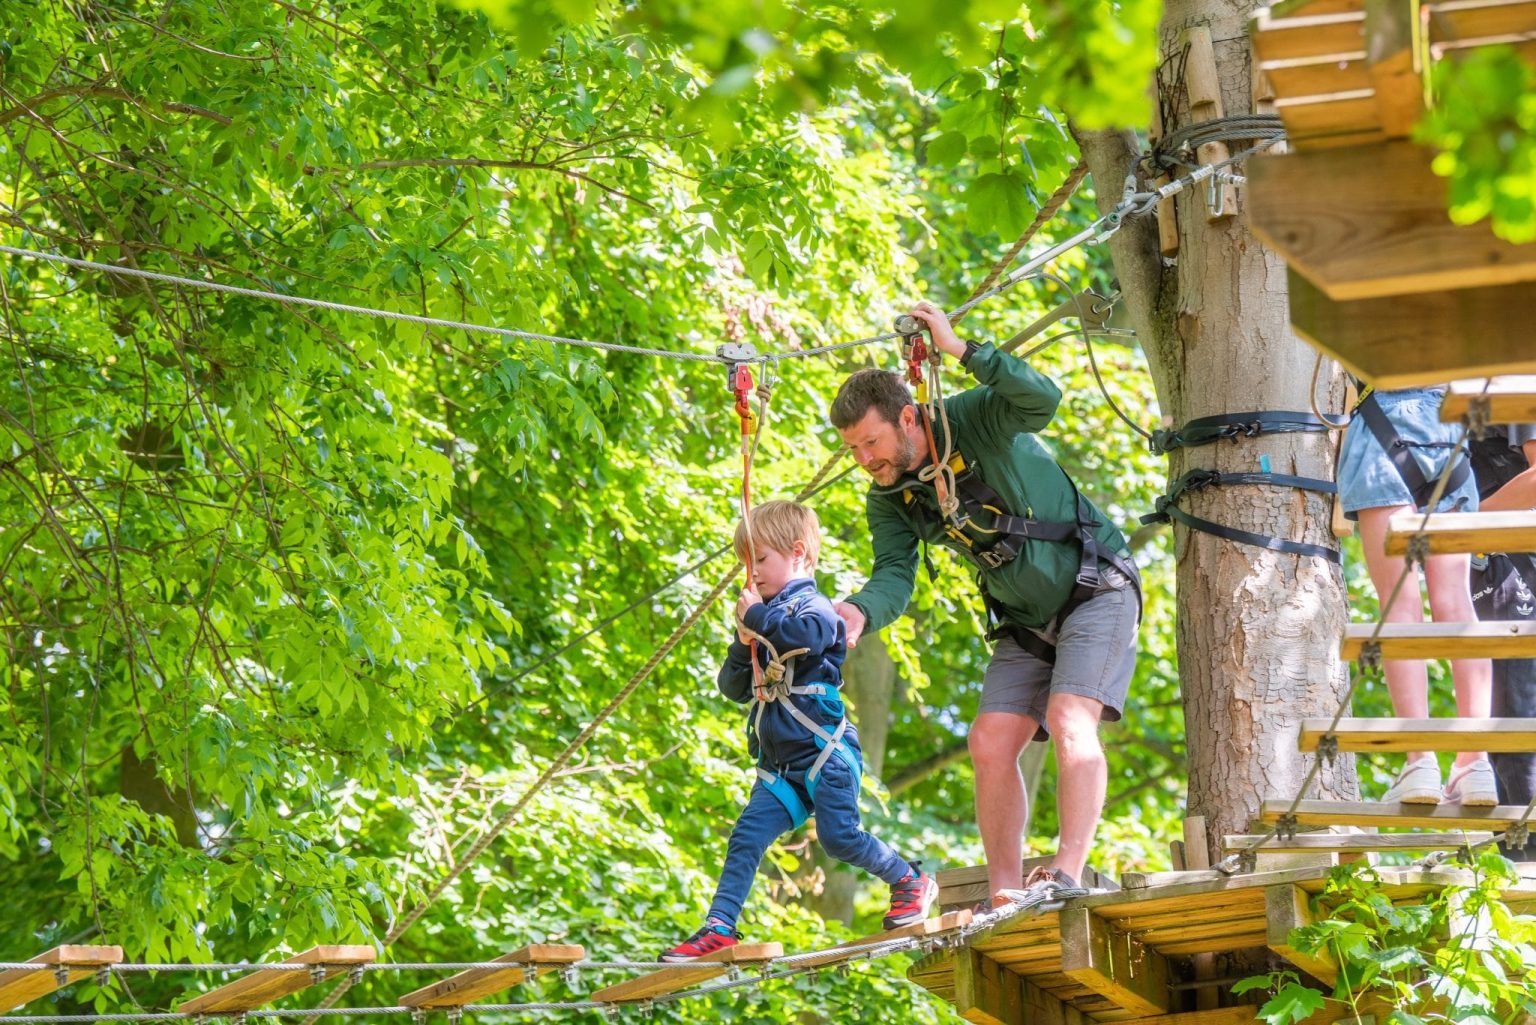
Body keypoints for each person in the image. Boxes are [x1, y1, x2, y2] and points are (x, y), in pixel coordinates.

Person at [829, 301, 1140, 907]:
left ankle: (1065, 876)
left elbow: (1041, 401)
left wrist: (962, 350)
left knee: (1073, 720)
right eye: (853, 451)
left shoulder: (972, 418)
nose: (865, 460)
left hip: (1095, 587)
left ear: (908, 417)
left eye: (871, 442)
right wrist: (860, 610)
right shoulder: (890, 496)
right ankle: (1004, 894)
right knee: (989, 741)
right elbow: (894, 573)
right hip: (1024, 621)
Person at [660, 501, 936, 962]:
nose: (751, 576)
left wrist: (759, 622)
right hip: (782, 768)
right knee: (747, 835)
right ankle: (719, 926)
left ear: (798, 554)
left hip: (825, 754)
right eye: (745, 566)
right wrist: (741, 644)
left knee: (839, 838)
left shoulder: (813, 607)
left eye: (760, 561)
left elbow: (811, 634)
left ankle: (909, 879)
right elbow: (734, 688)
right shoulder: (766, 619)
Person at [1337, 386, 1494, 805]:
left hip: (1379, 426)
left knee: (1399, 603)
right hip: (1443, 427)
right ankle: (1474, 763)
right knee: (1456, 602)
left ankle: (1420, 760)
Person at [1468, 421, 1536, 851]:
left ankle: (1526, 857)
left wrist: (1461, 521)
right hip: (1497, 552)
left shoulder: (1518, 372)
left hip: (1513, 555)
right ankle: (1514, 855)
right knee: (1504, 707)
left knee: (1516, 704)